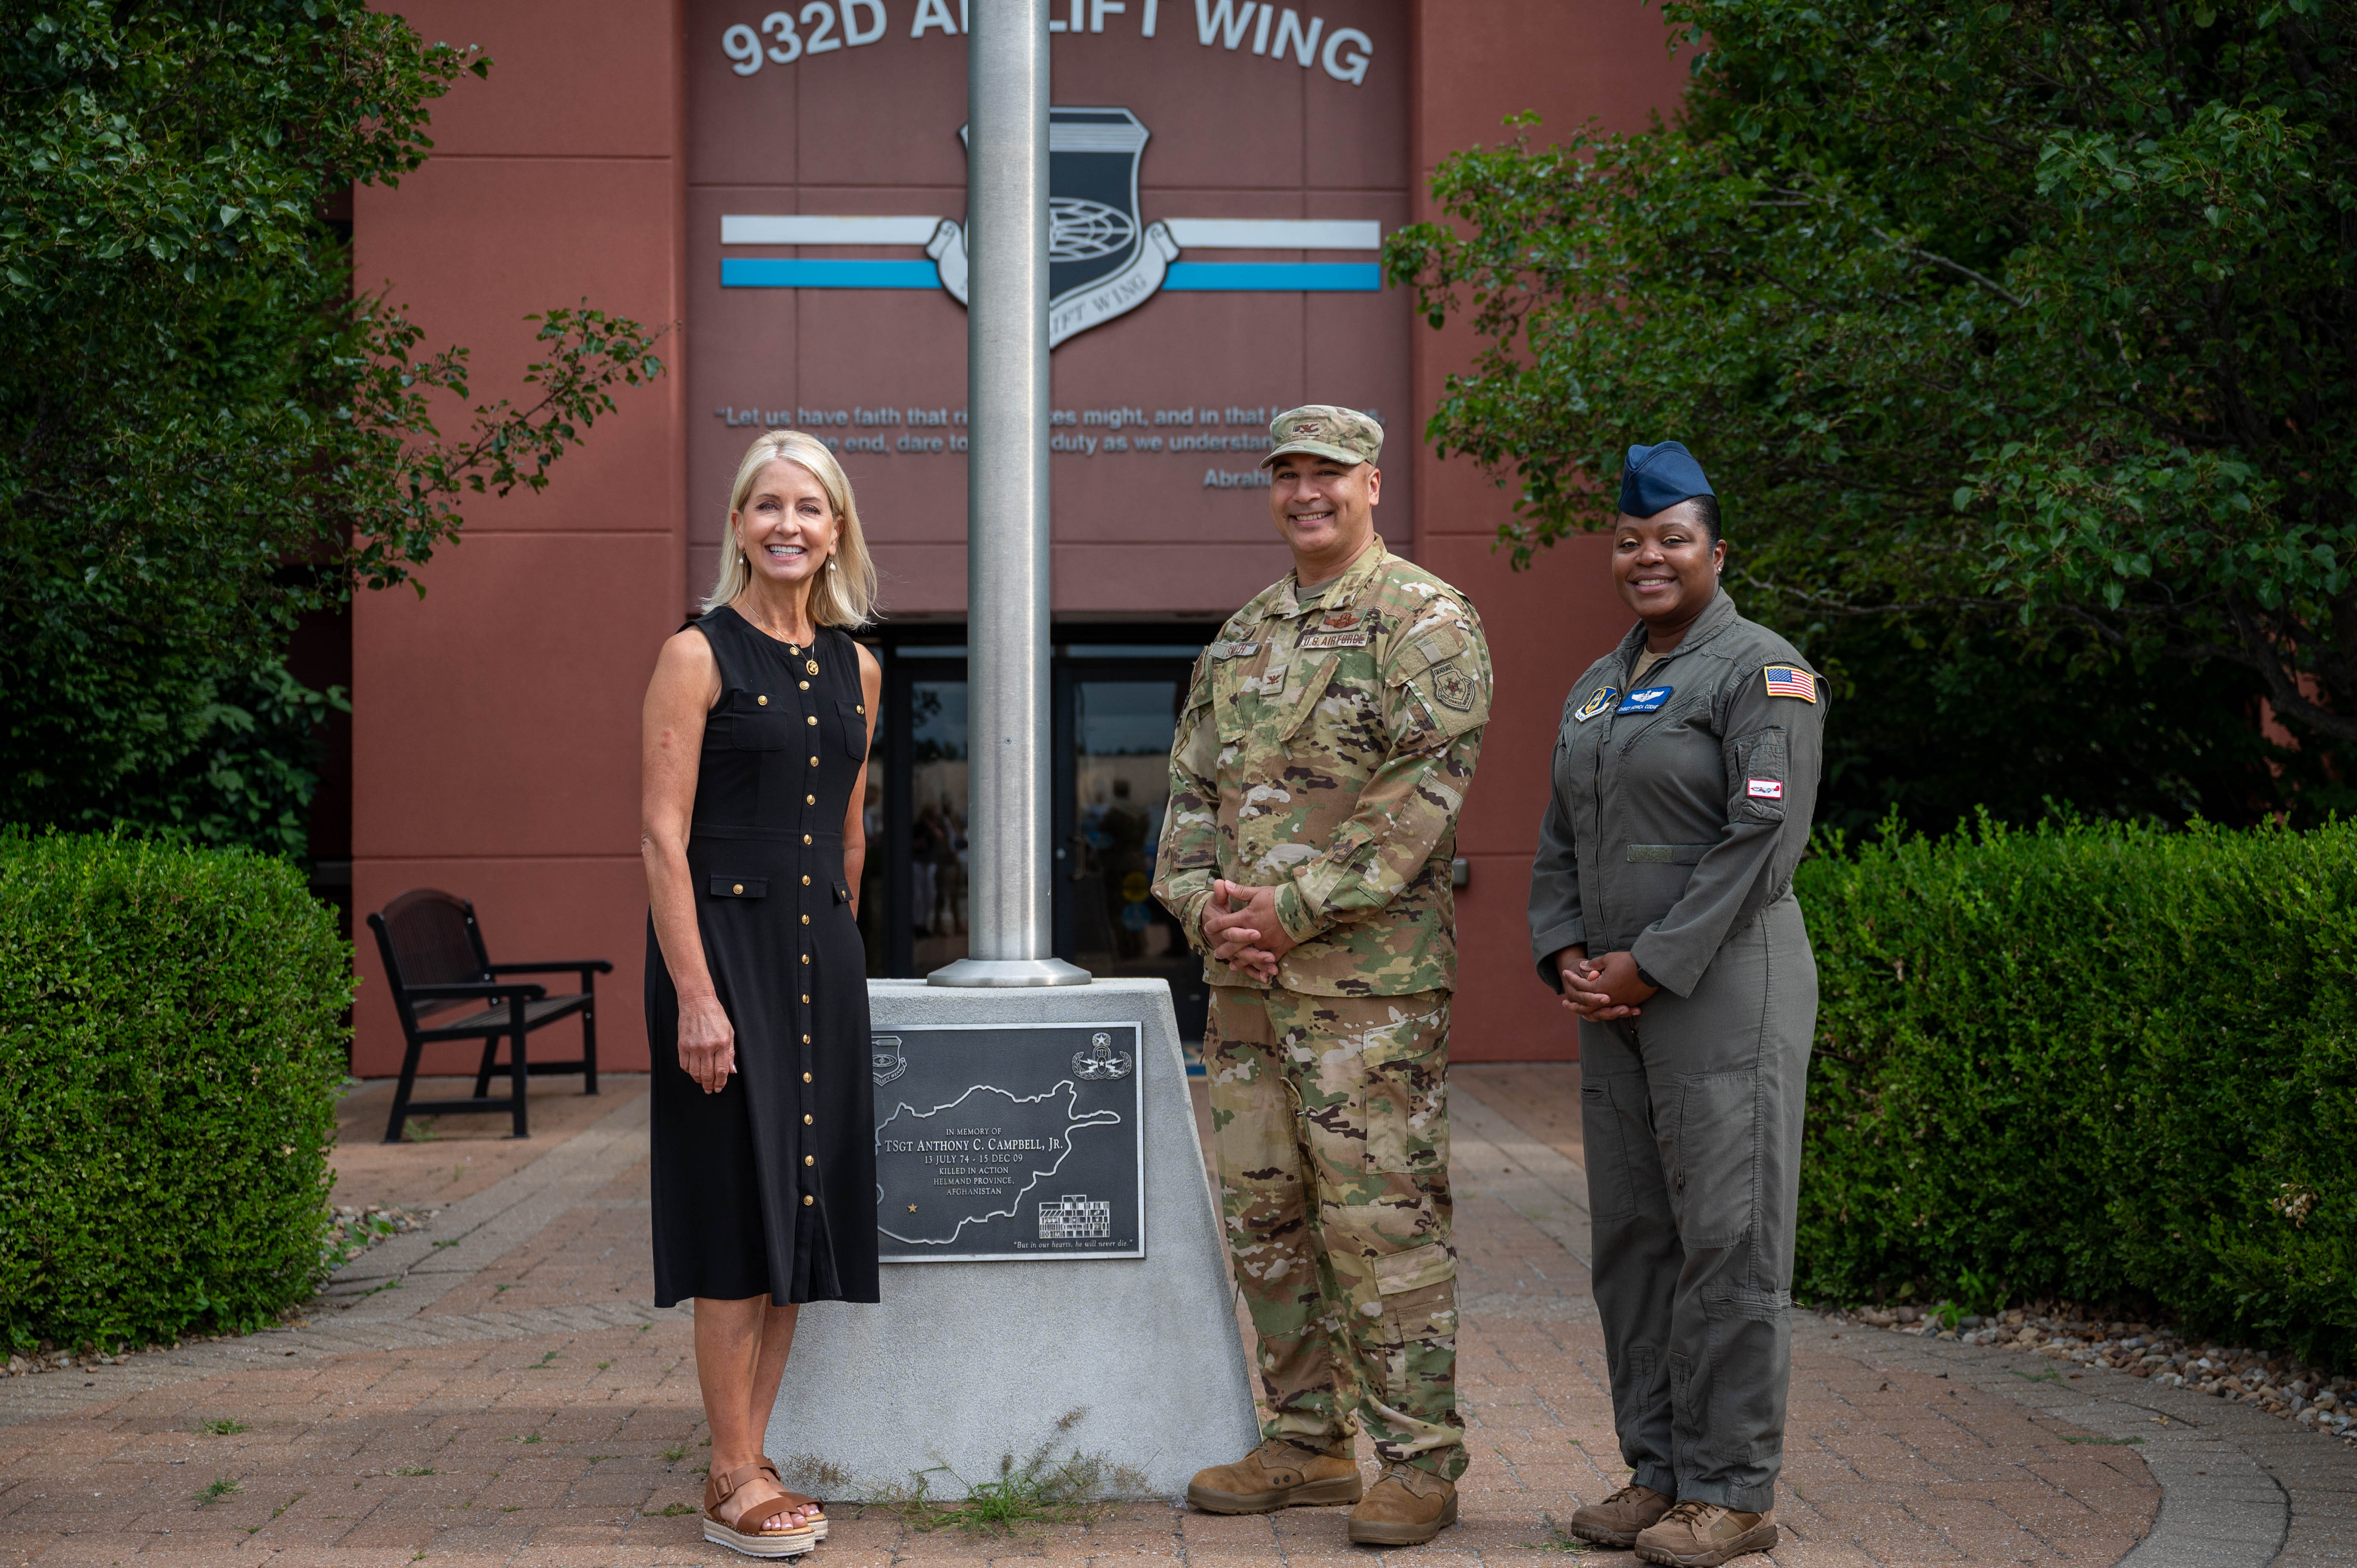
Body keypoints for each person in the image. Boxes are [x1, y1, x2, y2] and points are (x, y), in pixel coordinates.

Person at [1152, 405, 1491, 1547]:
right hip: (1248, 989)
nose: (1307, 492)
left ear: (1373, 484)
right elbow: (1190, 799)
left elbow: (1419, 803)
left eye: (1328, 474)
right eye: (1288, 474)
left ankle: (1421, 1462)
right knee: (1267, 1219)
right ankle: (1308, 1444)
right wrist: (1208, 911)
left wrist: (1287, 911)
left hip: (1369, 993)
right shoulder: (1242, 636)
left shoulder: (1426, 620)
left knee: (1378, 1225)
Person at [1525, 442, 1826, 1568]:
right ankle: (1658, 1472)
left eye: (1673, 539)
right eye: (1630, 540)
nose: (1648, 557)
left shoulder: (1761, 673)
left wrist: (1650, 962)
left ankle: (1735, 1490)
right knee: (1636, 1243)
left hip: (1723, 989)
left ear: (1716, 550)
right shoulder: (1598, 687)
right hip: (1618, 1003)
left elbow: (1763, 842)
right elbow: (1562, 833)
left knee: (1730, 1242)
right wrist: (1565, 952)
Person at [641, 430, 883, 1559]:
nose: (790, 525)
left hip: (817, 964)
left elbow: (849, 835)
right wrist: (696, 994)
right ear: (738, 524)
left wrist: (845, 959)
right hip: (723, 953)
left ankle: (752, 1454)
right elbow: (659, 836)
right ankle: (732, 1473)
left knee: (800, 1209)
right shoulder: (695, 655)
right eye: (768, 506)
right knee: (737, 1209)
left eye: (812, 508)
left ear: (837, 531)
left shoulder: (858, 669)